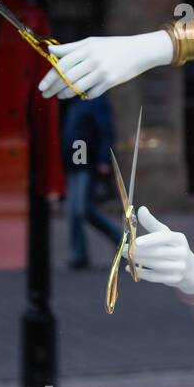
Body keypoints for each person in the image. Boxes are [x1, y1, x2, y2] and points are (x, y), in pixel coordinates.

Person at [61, 94, 118, 268]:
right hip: (75, 164)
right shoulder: (73, 102)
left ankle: (120, 240)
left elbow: (105, 130)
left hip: (86, 162)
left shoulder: (96, 99)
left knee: (81, 209)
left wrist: (103, 160)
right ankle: (80, 254)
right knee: (76, 210)